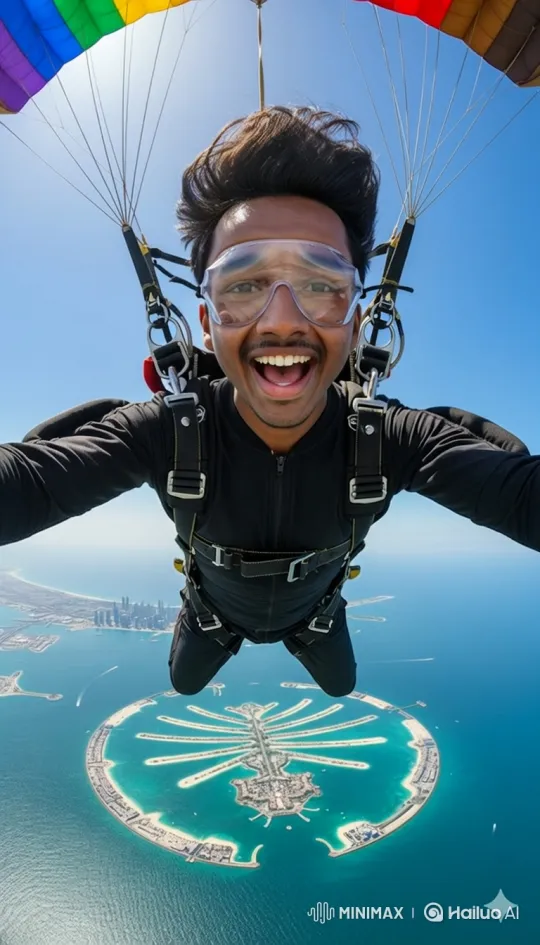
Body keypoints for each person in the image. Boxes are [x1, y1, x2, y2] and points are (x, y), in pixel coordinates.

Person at [1, 107, 539, 698]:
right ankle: (206, 617)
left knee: (340, 686)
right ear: (206, 324)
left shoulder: (390, 440)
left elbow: (520, 496)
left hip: (315, 616)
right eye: (244, 284)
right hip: (214, 615)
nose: (282, 322)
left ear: (357, 322)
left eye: (320, 285)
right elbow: (28, 486)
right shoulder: (166, 433)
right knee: (184, 683)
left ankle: (312, 621)